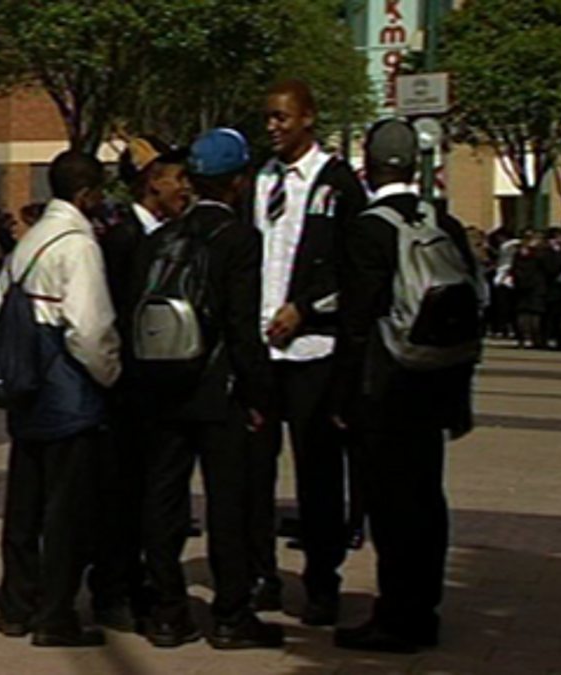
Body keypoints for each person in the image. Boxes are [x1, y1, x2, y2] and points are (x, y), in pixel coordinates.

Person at [132, 128, 281, 650]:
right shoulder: (238, 240)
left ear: (192, 179)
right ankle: (231, 613)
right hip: (220, 389)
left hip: (162, 386)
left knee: (164, 497)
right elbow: (243, 326)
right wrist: (260, 395)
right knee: (229, 502)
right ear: (238, 182)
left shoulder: (159, 240)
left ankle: (169, 610)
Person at [334, 118, 476, 653]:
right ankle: (425, 608)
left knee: (390, 506)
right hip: (436, 383)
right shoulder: (444, 221)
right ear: (415, 167)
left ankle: (395, 616)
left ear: (368, 167)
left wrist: (344, 398)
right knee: (426, 500)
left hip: (386, 385)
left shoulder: (369, 228)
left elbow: (357, 319)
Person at [249, 80, 367, 624]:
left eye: (283, 117)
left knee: (318, 474)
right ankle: (259, 574)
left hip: (313, 352)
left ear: (309, 118)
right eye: (268, 118)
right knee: (253, 470)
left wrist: (305, 308)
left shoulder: (338, 184)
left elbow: (354, 271)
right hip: (261, 355)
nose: (274, 126)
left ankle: (322, 581)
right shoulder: (260, 178)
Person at [0, 150, 120, 648]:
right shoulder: (78, 245)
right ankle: (55, 614)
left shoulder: (29, 243)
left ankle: (15, 604)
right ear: (87, 194)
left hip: (26, 387)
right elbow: (90, 328)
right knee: (66, 509)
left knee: (24, 503)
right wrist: (111, 375)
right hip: (66, 392)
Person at [87, 135, 191, 632]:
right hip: (126, 390)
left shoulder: (165, 236)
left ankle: (136, 582)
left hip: (152, 391)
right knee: (120, 495)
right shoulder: (125, 238)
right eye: (178, 177)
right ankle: (113, 589)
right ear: (153, 181)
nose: (185, 188)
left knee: (144, 491)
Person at [513, 231, 549, 349]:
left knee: (523, 313)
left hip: (522, 286)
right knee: (533, 314)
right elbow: (548, 267)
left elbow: (515, 268)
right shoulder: (539, 254)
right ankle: (533, 339)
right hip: (536, 287)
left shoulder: (518, 253)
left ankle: (523, 338)